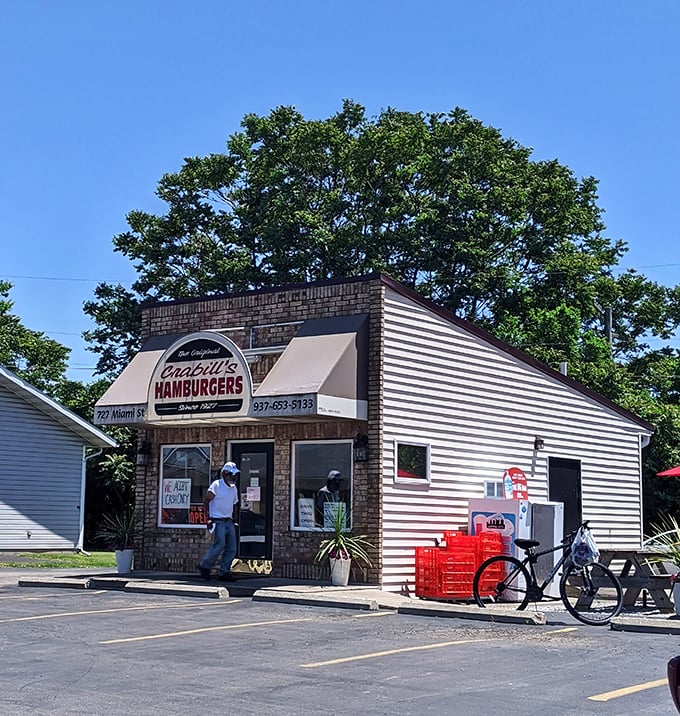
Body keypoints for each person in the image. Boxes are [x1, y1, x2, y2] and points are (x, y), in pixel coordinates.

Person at [199, 461, 240, 582]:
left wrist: (236, 521)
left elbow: (235, 505)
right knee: (219, 544)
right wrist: (208, 519)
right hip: (217, 520)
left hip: (229, 521)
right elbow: (206, 502)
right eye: (231, 475)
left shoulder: (233, 489)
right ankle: (205, 566)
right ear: (225, 474)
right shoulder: (216, 485)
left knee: (232, 548)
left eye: (235, 475)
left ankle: (224, 572)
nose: (233, 477)